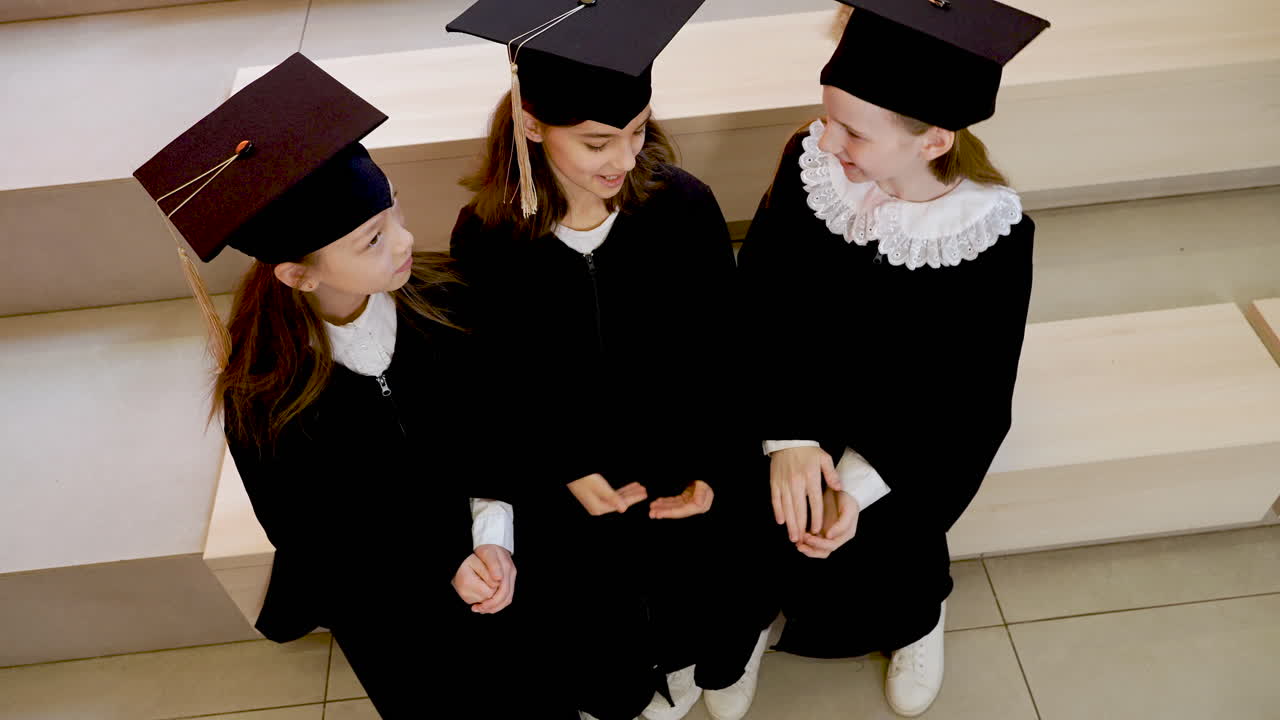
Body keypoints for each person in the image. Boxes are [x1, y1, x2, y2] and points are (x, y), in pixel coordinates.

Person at [133, 53, 539, 719]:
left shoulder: (450, 299)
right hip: (388, 596)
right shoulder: (263, 395)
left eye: (395, 213)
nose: (406, 242)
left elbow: (500, 429)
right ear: (299, 275)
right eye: (374, 240)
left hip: (501, 546)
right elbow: (313, 537)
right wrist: (440, 566)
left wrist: (491, 531)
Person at [445, 2, 775, 718]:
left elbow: (726, 351)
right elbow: (498, 381)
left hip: (683, 448)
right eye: (597, 142)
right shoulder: (489, 237)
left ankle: (717, 651)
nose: (624, 160)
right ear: (532, 124)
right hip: (565, 458)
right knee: (578, 566)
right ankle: (631, 669)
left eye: (636, 131)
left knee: (710, 549)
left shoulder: (682, 208)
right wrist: (568, 465)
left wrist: (711, 471)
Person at [737, 1, 1050, 715]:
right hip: (794, 397)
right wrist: (787, 435)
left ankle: (915, 620)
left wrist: (859, 483)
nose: (827, 138)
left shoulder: (989, 238)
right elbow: (764, 292)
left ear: (934, 139)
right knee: (764, 507)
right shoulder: (812, 160)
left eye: (853, 130)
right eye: (828, 116)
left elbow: (968, 397)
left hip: (900, 441)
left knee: (883, 542)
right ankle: (753, 614)